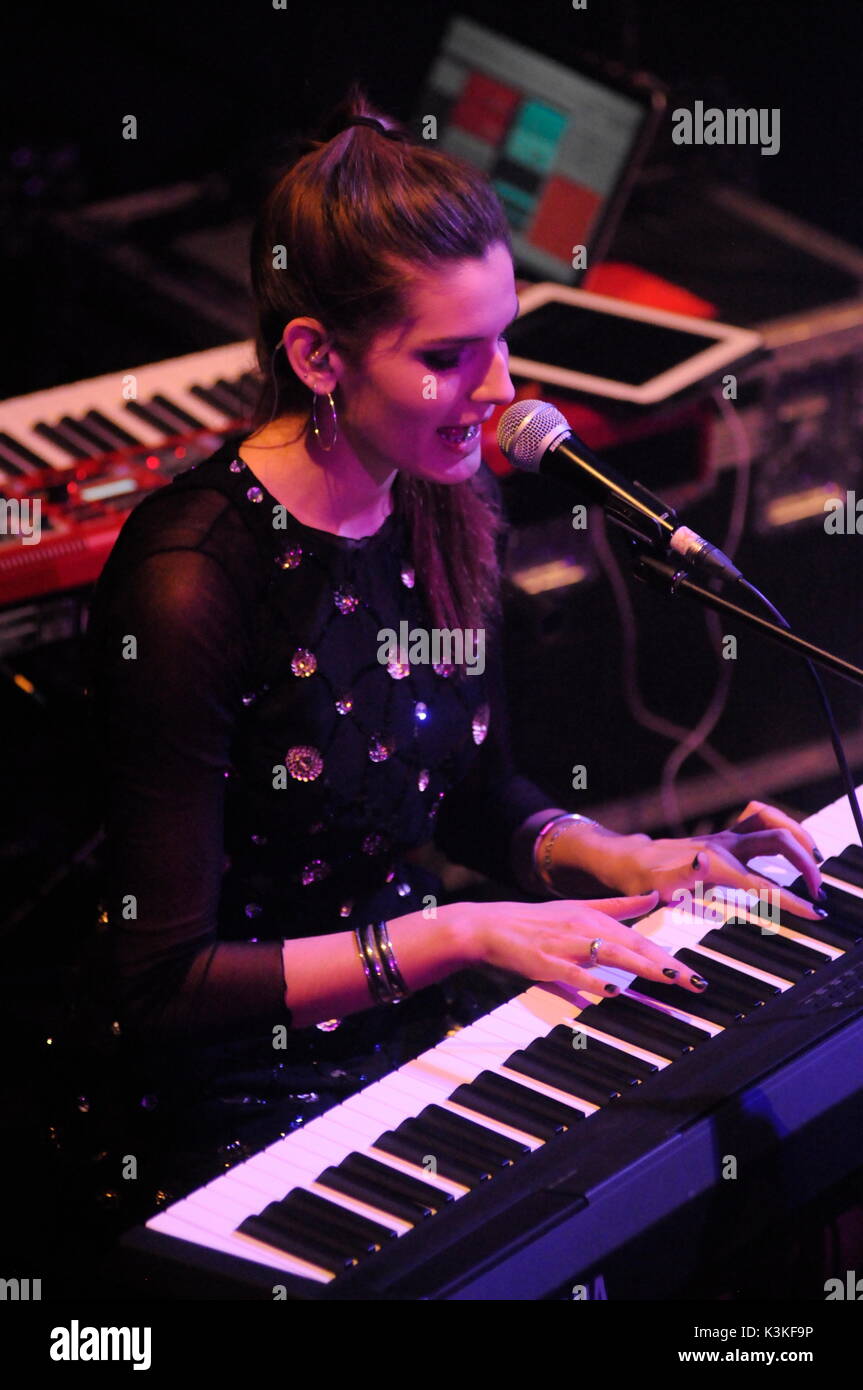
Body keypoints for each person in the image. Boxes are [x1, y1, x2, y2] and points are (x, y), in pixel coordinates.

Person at [84, 89, 825, 1174]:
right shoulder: (191, 582)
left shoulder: (444, 505)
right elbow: (160, 982)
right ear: (316, 356)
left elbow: (483, 798)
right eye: (447, 357)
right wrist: (456, 934)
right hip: (234, 1090)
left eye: (503, 342)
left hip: (415, 1023)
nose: (502, 391)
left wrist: (622, 851)